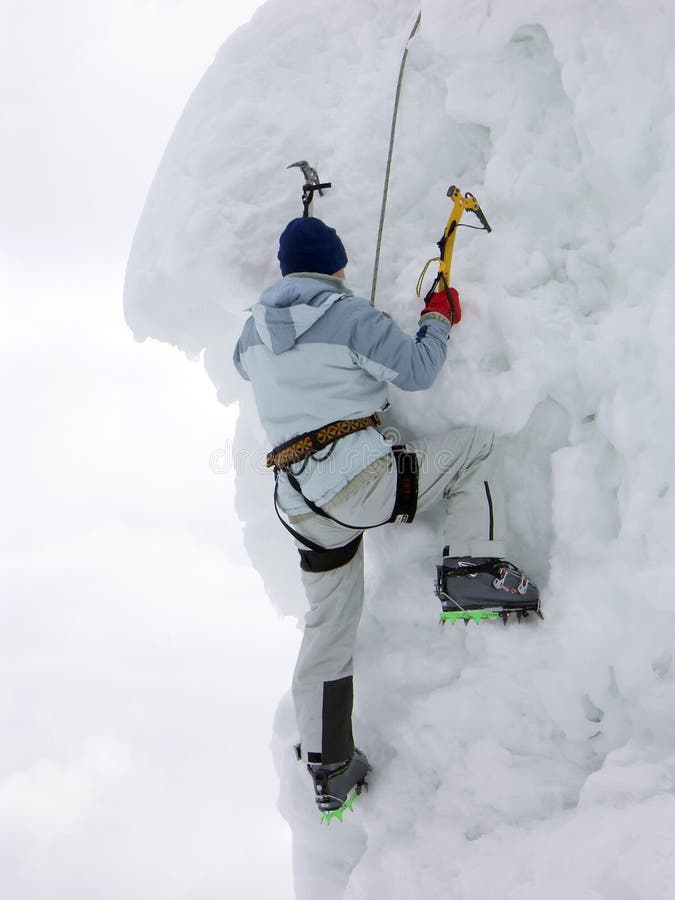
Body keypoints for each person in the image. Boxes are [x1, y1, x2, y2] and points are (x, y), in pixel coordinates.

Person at [233, 217, 539, 818]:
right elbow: (418, 371)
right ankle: (469, 572)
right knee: (475, 447)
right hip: (360, 481)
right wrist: (439, 319)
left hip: (300, 504)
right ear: (337, 265)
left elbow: (251, 367)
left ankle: (329, 765)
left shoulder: (251, 335)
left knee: (329, 624)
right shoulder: (350, 317)